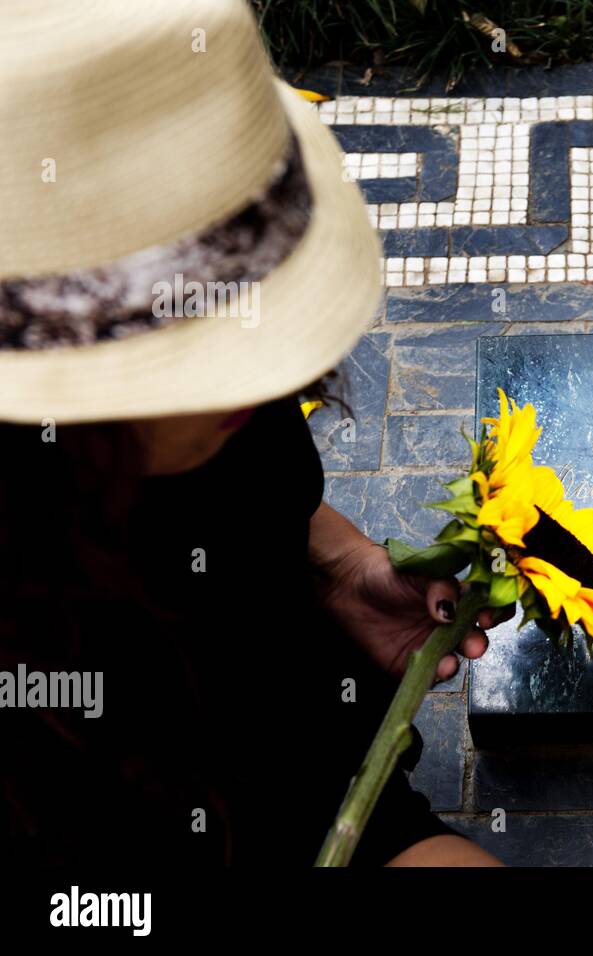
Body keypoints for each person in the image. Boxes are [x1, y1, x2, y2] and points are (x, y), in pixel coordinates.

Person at [0, 0, 501, 866]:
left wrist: (332, 566)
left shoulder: (208, 414)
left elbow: (222, 506)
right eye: (189, 347)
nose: (271, 372)